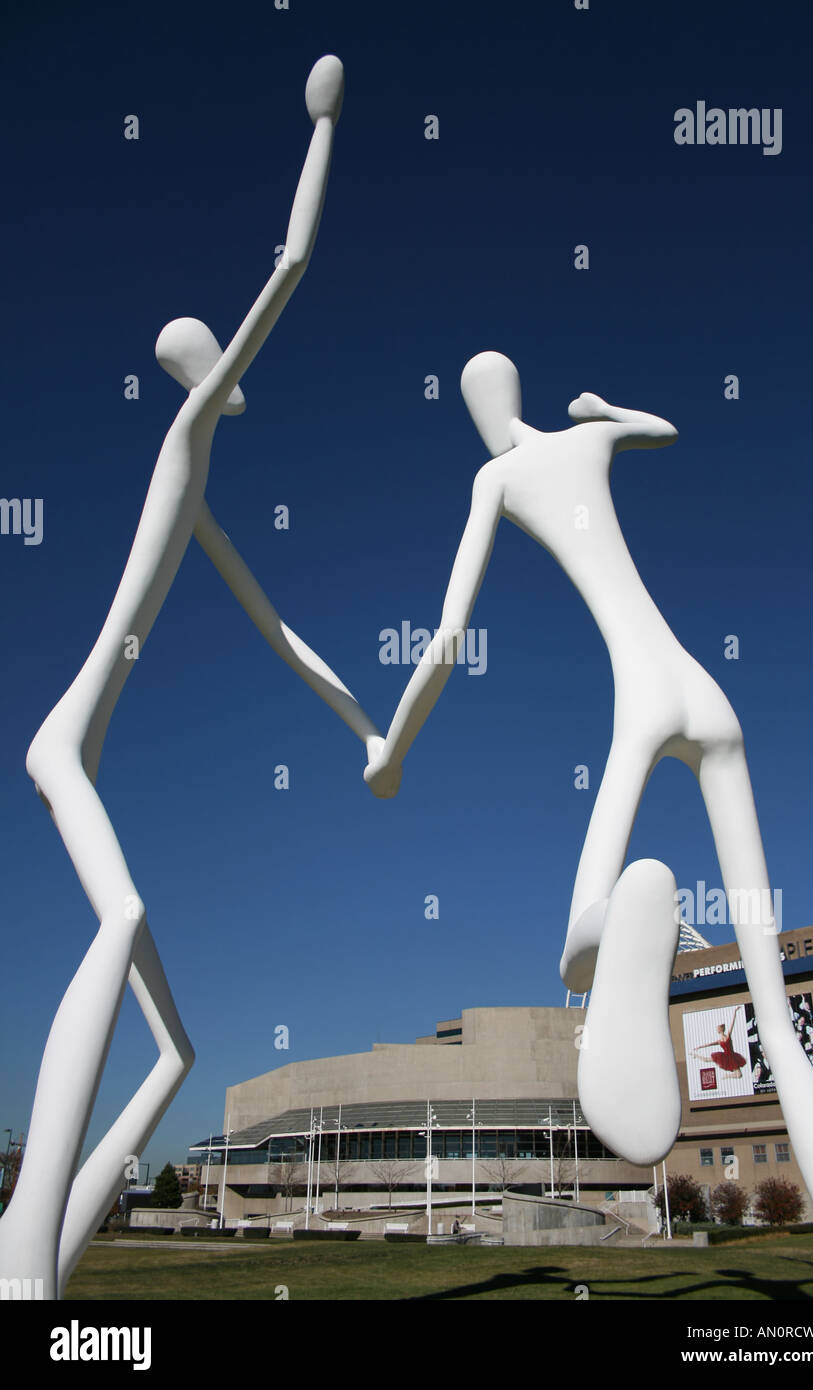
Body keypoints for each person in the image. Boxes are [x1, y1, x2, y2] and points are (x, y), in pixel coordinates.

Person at [363, 350, 813, 1291]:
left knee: (570, 950)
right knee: (770, 1005)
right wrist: (603, 405)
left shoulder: (497, 474)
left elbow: (446, 633)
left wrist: (392, 750)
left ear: (480, 412)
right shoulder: (588, 436)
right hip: (711, 698)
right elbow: (665, 429)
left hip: (642, 703)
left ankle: (634, 912)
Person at [0, 56, 379, 1300]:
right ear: (196, 368)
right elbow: (292, 269)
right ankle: (18, 1252)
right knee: (114, 922)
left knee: (177, 1045)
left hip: (79, 755)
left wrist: (359, 718)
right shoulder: (183, 434)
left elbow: (276, 635)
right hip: (64, 744)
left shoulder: (202, 498)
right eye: (211, 356)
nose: (226, 365)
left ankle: (41, 1263)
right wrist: (320, 131)